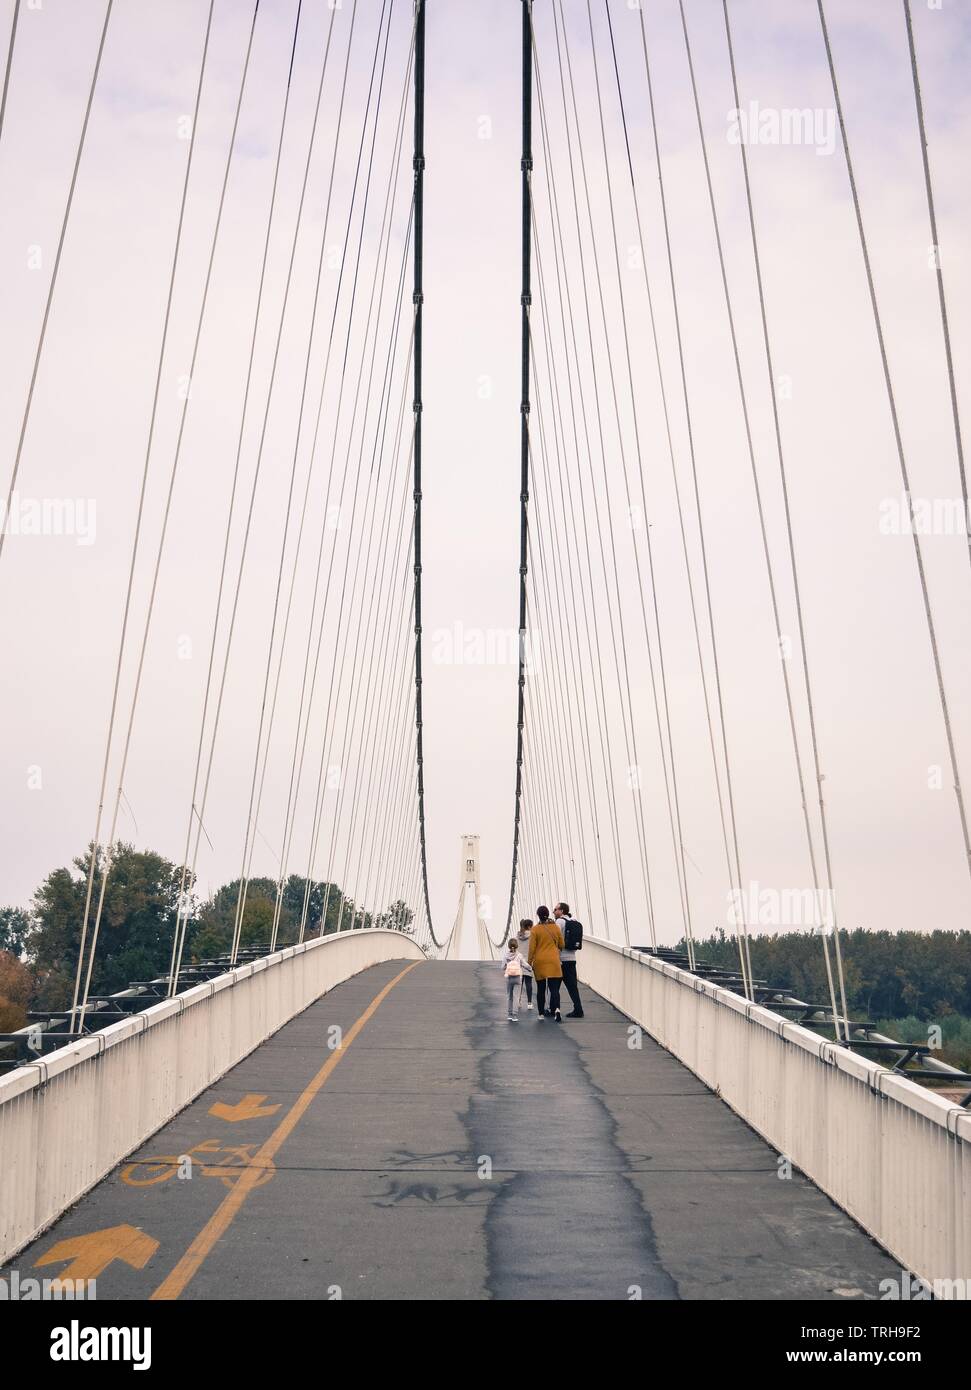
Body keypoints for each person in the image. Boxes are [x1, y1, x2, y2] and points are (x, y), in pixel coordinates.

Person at [527, 905, 564, 1023]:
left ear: (538, 915)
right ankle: (557, 1010)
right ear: (548, 914)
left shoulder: (535, 929)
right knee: (554, 989)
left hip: (540, 962)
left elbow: (532, 949)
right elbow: (562, 945)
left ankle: (541, 1014)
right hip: (554, 961)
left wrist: (529, 963)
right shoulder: (556, 927)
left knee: (541, 989)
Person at [554, 901, 584, 1018]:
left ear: (562, 911)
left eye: (556, 909)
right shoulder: (573, 921)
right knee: (572, 987)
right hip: (572, 958)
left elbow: (555, 938)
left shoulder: (559, 922)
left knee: (554, 987)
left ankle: (553, 1009)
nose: (554, 912)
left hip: (561, 959)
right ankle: (578, 1009)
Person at [501, 938, 525, 1021]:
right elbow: (525, 964)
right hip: (518, 978)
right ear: (517, 946)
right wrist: (530, 968)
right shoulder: (519, 955)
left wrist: (507, 967)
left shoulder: (506, 955)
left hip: (509, 978)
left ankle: (509, 1014)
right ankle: (515, 1015)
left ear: (509, 946)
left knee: (510, 996)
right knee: (516, 996)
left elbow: (502, 967)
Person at [516, 919, 535, 1010]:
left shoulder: (517, 936)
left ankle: (518, 1001)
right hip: (528, 961)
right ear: (529, 927)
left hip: (519, 962)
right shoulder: (532, 936)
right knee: (528, 983)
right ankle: (529, 1003)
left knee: (519, 983)